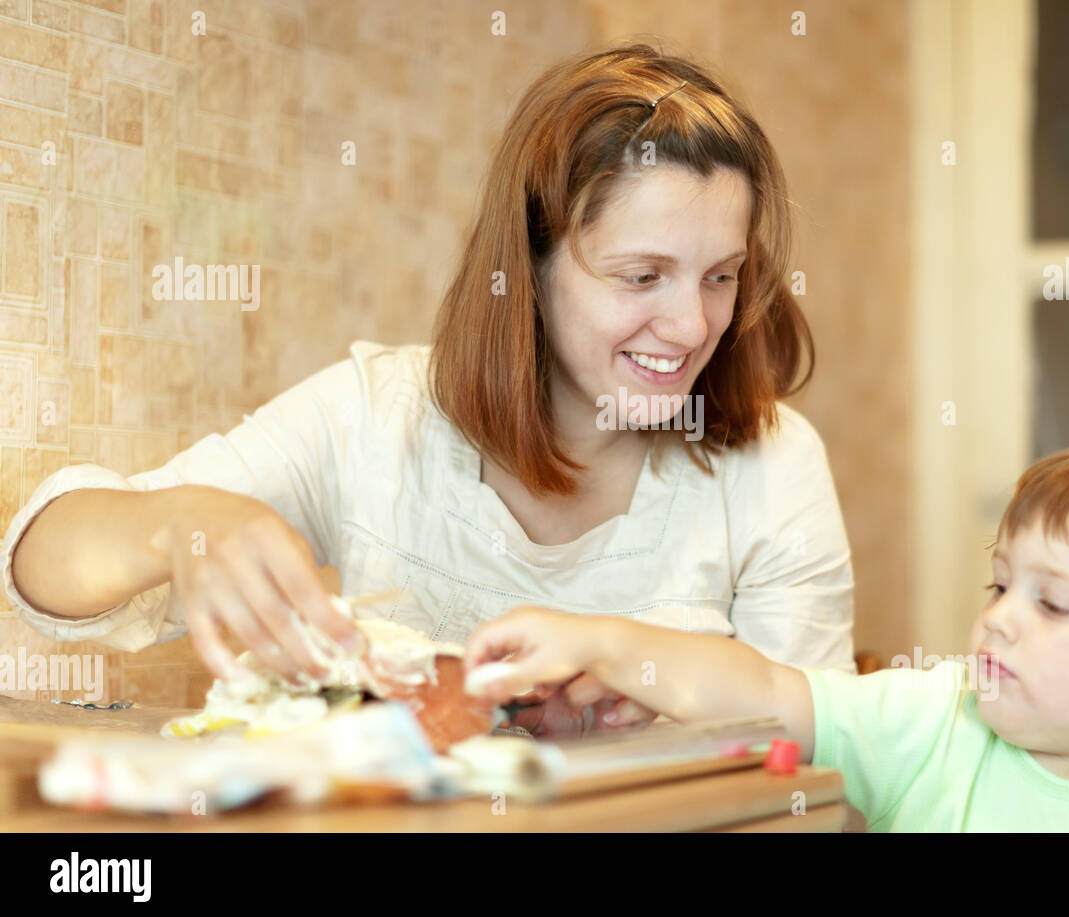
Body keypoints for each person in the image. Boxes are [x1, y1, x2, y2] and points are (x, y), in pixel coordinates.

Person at [1, 43, 856, 735]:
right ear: (531, 267)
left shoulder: (772, 465)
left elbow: (830, 761)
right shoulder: (375, 419)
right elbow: (41, 572)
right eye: (641, 277)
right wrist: (178, 524)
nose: (693, 325)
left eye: (720, 276)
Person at [465, 446, 1069, 829]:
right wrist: (606, 645)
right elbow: (767, 693)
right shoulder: (934, 720)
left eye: (1053, 605)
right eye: (1000, 585)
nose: (1000, 617)